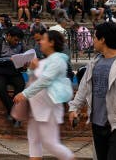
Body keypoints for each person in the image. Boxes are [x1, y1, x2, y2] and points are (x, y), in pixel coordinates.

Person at [68, 22, 116, 160]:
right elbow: (84, 88)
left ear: (102, 39)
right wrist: (74, 107)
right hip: (97, 123)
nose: (93, 40)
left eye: (95, 37)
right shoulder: (94, 63)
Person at [12, 30, 74, 160]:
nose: (40, 42)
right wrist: (31, 68)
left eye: (44, 39)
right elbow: (34, 78)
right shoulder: (46, 61)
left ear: (51, 42)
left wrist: (24, 94)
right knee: (34, 141)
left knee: (50, 143)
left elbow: (45, 80)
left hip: (48, 108)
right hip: (36, 108)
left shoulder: (58, 61)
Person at [0, 27, 26, 127]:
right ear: (8, 36)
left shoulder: (20, 44)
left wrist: (24, 65)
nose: (17, 42)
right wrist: (9, 59)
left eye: (18, 41)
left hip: (14, 71)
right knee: (0, 86)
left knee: (21, 85)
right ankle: (14, 112)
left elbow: (22, 59)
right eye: (15, 40)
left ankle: (12, 112)